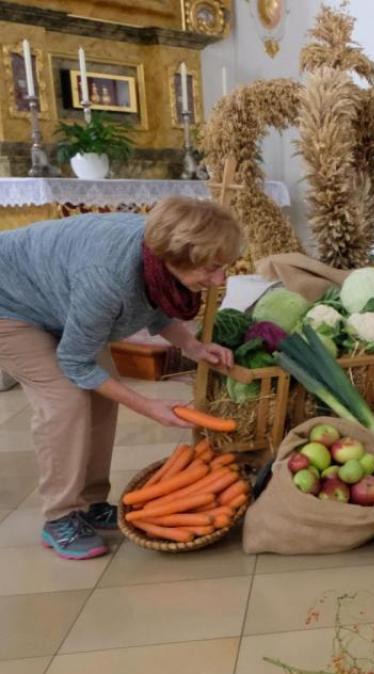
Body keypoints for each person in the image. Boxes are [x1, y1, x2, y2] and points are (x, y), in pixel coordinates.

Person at [0, 198, 242, 559]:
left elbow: (151, 307)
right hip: (10, 304)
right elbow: (76, 363)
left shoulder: (157, 260)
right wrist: (149, 406)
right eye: (212, 268)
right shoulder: (108, 278)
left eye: (224, 267)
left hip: (59, 300)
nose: (220, 280)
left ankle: (93, 502)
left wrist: (193, 346)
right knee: (66, 400)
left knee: (102, 396)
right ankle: (60, 516)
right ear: (174, 257)